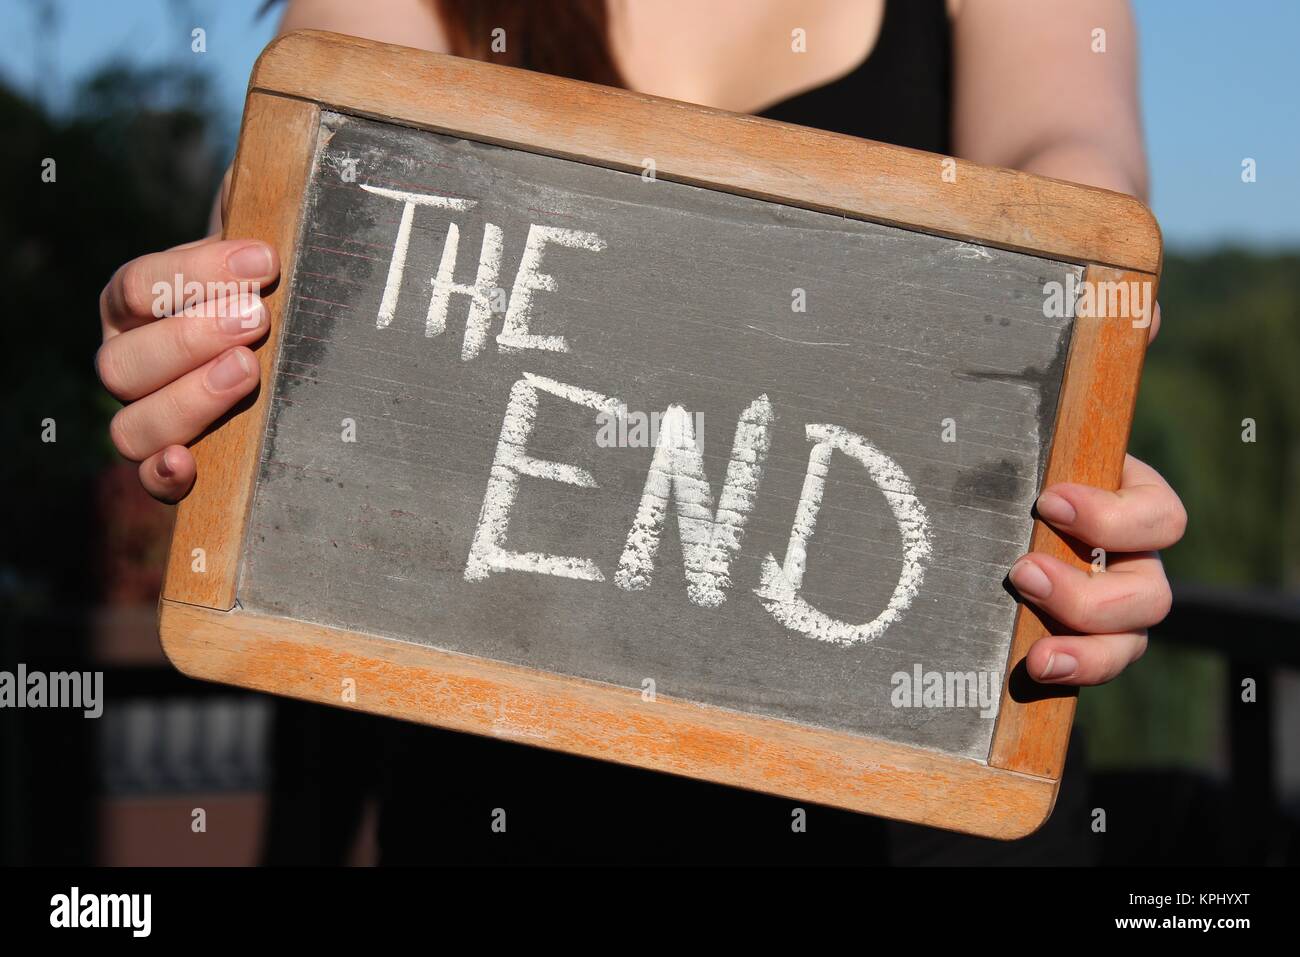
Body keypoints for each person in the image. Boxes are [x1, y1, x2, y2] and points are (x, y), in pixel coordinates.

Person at [96, 0, 1186, 864]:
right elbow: (314, 160)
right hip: (508, 823)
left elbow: (1071, 167)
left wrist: (1077, 397)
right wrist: (216, 319)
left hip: (921, 829)